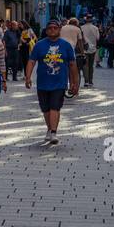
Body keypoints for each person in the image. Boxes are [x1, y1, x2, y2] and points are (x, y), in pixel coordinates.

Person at [26, 18, 79, 146]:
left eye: (55, 28)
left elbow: (72, 65)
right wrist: (28, 77)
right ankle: (49, 129)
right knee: (45, 109)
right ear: (47, 30)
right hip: (43, 82)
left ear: (60, 29)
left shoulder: (66, 46)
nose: (52, 30)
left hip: (59, 82)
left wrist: (74, 83)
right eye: (50, 28)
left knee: (55, 106)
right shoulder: (40, 45)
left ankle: (54, 132)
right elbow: (32, 61)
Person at [80, 16, 100, 85]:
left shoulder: (81, 28)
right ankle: (91, 80)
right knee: (91, 65)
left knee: (85, 65)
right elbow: (97, 38)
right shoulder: (95, 28)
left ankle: (86, 81)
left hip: (84, 48)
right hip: (93, 48)